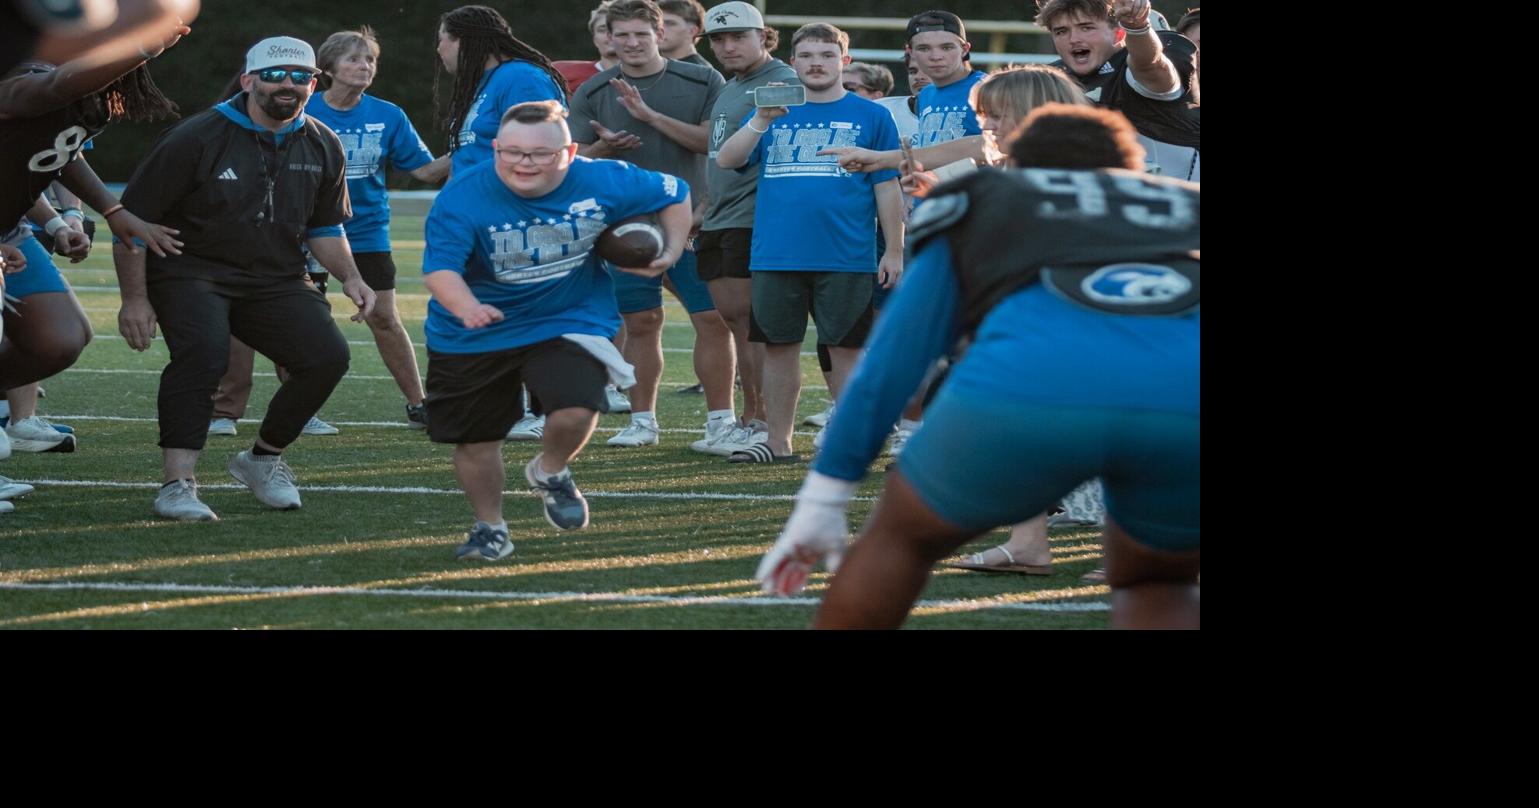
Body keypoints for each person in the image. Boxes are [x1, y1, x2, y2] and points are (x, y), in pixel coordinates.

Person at [755, 104, 1200, 629]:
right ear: (1132, 168)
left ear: (1024, 163)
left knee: (901, 539)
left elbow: (895, 361)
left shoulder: (983, 198)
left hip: (1026, 391)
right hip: (1185, 400)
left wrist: (825, 497)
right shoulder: (1186, 202)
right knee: (1159, 580)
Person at [114, 35, 378, 522]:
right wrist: (135, 299)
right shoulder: (195, 137)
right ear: (248, 80)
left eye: (301, 76)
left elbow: (325, 227)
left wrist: (351, 278)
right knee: (204, 356)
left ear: (314, 83)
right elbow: (131, 221)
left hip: (275, 276)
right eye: (276, 74)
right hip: (191, 270)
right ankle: (177, 484)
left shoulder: (323, 140)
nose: (288, 85)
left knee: (326, 357)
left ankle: (261, 459)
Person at [421, 100, 691, 560]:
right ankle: (491, 528)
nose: (524, 164)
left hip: (566, 317)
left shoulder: (604, 178)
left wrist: (672, 251)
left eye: (540, 154)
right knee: (477, 439)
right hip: (473, 328)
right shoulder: (464, 194)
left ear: (569, 152)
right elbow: (441, 270)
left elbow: (676, 192)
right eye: (512, 152)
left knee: (578, 408)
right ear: (495, 148)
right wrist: (467, 307)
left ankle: (550, 470)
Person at [715, 22, 904, 464]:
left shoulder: (872, 115)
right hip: (776, 253)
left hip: (848, 254)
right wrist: (760, 121)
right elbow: (728, 159)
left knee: (847, 350)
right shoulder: (772, 108)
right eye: (807, 55)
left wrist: (893, 248)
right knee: (779, 348)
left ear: (845, 61)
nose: (816, 63)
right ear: (792, 62)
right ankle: (778, 443)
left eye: (827, 55)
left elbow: (886, 188)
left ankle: (854, 443)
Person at [1, 17, 187, 464]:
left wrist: (110, 210)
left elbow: (57, 152)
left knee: (61, 339)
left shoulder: (83, 94)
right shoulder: (20, 81)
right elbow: (50, 93)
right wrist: (139, 43)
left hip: (11, 230)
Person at [568, 0, 733, 452]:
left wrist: (651, 117)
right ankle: (642, 421)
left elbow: (713, 144)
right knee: (641, 322)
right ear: (608, 36)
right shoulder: (594, 90)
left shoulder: (702, 79)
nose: (631, 43)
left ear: (659, 34)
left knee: (713, 319)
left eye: (641, 34)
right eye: (621, 34)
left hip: (694, 222)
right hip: (626, 230)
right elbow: (569, 158)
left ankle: (721, 420)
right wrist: (603, 148)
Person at [434, 4, 570, 440]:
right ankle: (506, 405)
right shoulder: (485, 84)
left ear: (465, 40)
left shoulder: (522, 78)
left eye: (443, 39)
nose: (439, 50)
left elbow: (544, 148)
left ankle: (541, 410)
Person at [304, 26, 450, 428]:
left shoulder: (388, 115)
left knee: (384, 317)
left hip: (367, 231)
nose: (364, 66)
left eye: (370, 59)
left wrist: (476, 146)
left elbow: (423, 170)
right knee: (303, 321)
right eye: (354, 58)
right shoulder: (303, 109)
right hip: (307, 233)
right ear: (329, 68)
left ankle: (420, 404)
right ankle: (302, 410)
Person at [695, 1, 793, 454]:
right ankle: (751, 417)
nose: (728, 46)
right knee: (737, 322)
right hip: (721, 214)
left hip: (752, 217)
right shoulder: (733, 86)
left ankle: (759, 420)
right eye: (719, 39)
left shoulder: (783, 82)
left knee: (753, 324)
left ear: (764, 37)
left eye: (739, 36)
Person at [1036, 0, 1199, 180]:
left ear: (1119, 34)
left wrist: (1137, 27)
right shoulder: (1053, 78)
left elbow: (1150, 65)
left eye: (1086, 28)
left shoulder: (1134, 69)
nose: (1073, 39)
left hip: (1180, 201)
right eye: (1061, 31)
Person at [554, 2, 618, 95]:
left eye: (616, 28)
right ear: (594, 39)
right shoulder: (562, 72)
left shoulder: (644, 79)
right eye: (602, 30)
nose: (609, 35)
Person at [658, 0, 711, 67]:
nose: (659, 29)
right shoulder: (650, 68)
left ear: (692, 31)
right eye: (657, 23)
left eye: (670, 23)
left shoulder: (702, 73)